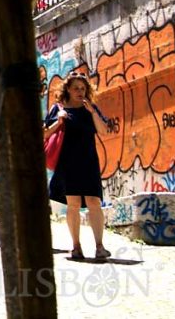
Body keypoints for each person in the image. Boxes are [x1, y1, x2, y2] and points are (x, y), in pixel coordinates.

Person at [44, 71, 111, 260]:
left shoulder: (91, 108)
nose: (80, 92)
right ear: (68, 90)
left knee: (94, 202)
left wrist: (92, 112)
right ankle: (76, 247)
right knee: (72, 204)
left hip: (89, 160)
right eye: (76, 88)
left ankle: (99, 247)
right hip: (67, 163)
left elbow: (104, 131)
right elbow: (44, 134)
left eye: (83, 88)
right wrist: (59, 121)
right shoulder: (58, 109)